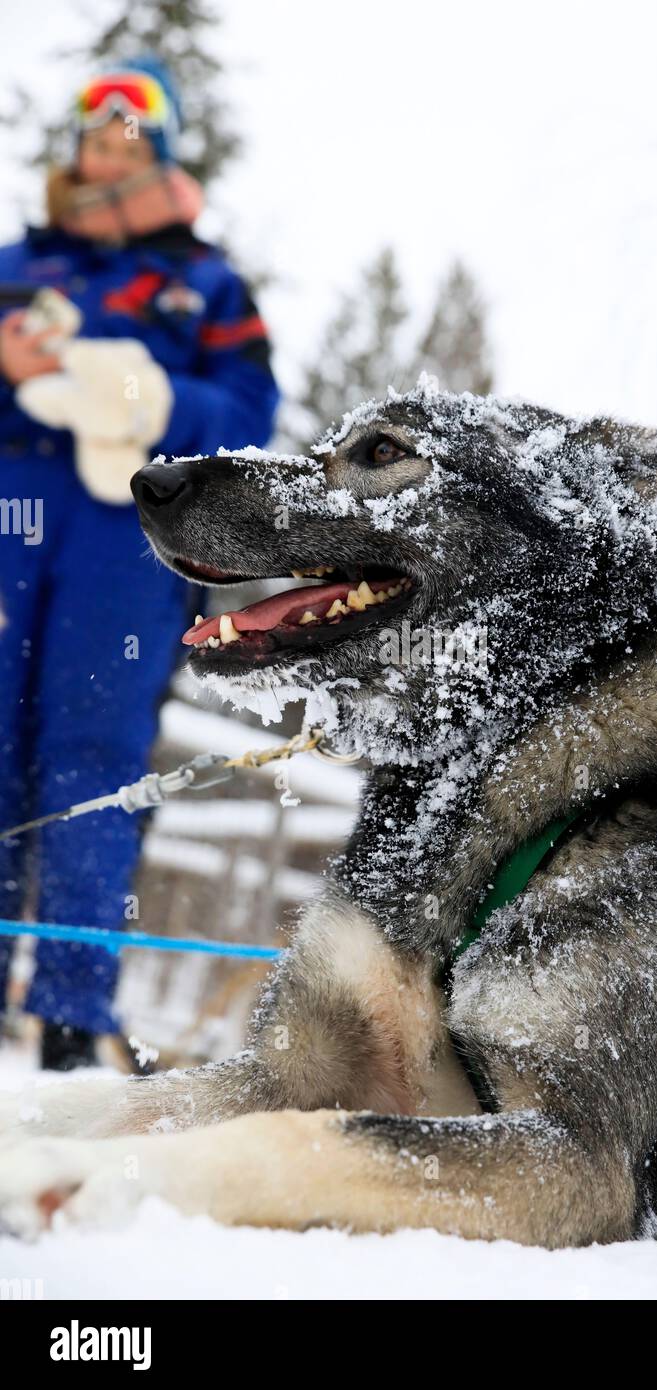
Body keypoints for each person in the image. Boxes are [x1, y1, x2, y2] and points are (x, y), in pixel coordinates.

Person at [0, 57, 279, 1069]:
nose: (108, 158)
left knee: (89, 767)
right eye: (94, 140)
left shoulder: (205, 284)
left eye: (131, 144)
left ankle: (72, 1028)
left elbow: (248, 421)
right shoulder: (13, 269)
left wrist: (152, 399)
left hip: (126, 539)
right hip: (7, 517)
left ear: (158, 160)